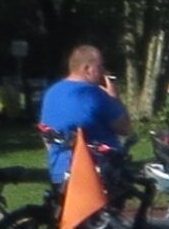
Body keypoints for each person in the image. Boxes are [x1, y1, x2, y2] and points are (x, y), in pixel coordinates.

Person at [38, 44, 132, 193]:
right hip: (96, 175)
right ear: (87, 68)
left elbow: (46, 134)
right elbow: (124, 128)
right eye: (100, 67)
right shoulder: (93, 95)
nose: (103, 72)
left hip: (60, 173)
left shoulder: (52, 93)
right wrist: (114, 98)